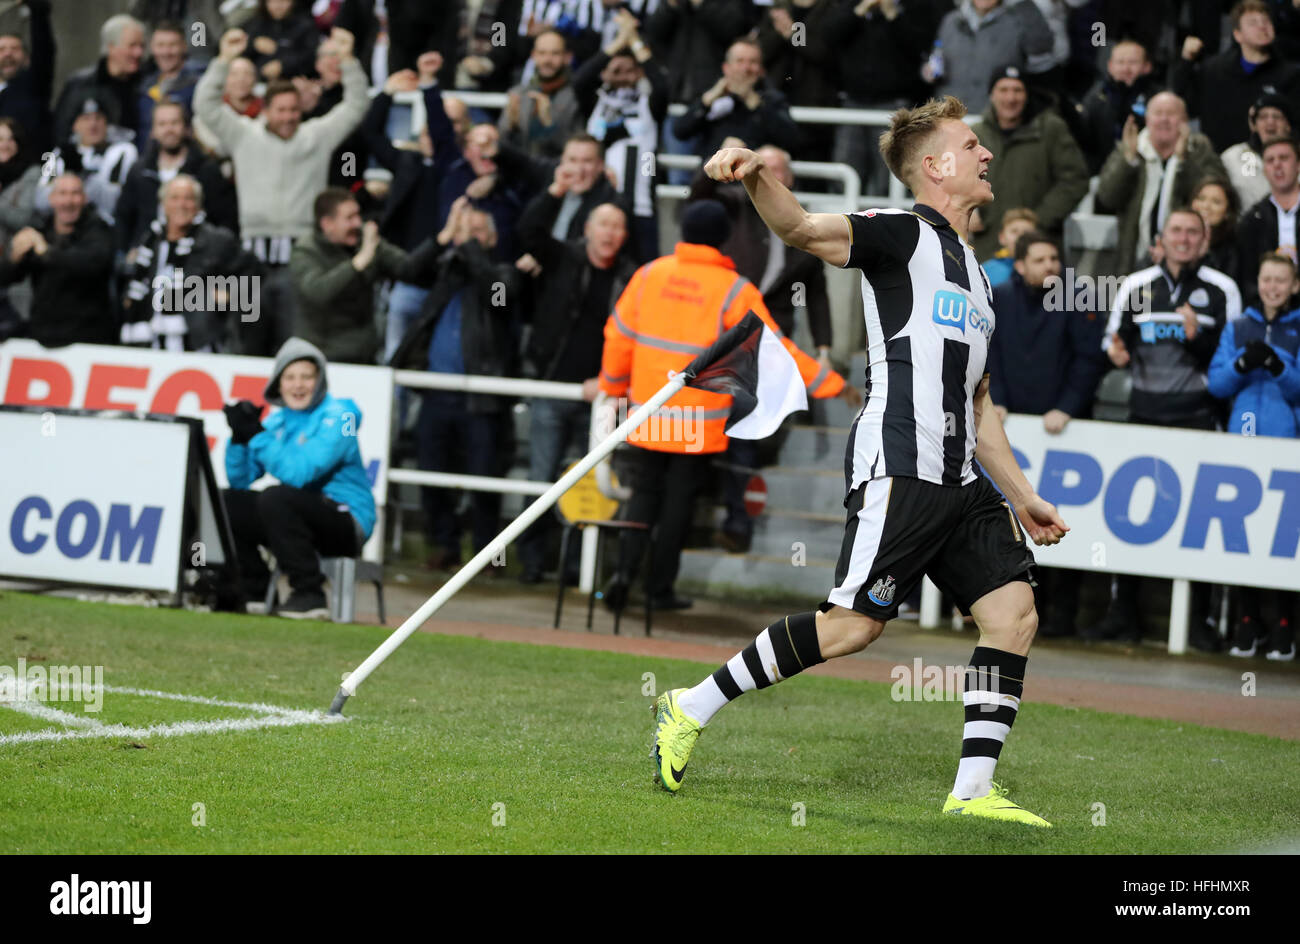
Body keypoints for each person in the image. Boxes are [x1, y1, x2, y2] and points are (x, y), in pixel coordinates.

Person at [651, 97, 1070, 828]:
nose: (987, 154)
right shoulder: (901, 233)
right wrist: (753, 171)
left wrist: (1024, 496)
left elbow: (981, 409)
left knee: (1013, 615)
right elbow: (801, 227)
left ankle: (972, 792)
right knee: (851, 628)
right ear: (935, 165)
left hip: (961, 476)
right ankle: (689, 705)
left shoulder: (978, 276)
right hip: (901, 460)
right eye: (972, 144)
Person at [599, 199, 850, 611]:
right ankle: (658, 590)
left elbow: (619, 336)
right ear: (724, 239)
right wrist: (829, 382)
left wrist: (612, 386)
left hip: (647, 416)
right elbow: (774, 349)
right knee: (678, 506)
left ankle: (623, 575)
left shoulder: (649, 275)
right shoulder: (735, 290)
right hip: (697, 425)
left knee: (642, 498)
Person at [1094, 207, 1240, 649]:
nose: (1183, 238)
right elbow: (1111, 343)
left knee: (1198, 524)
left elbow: (1233, 357)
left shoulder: (1222, 289)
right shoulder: (1136, 286)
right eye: (1176, 230)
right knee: (1129, 516)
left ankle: (1198, 622)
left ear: (1204, 239)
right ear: (1162, 238)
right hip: (1143, 414)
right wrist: (1115, 354)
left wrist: (1199, 337)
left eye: (1192, 231)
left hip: (1198, 417)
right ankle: (1124, 614)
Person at [194, 26, 367, 355]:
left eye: (293, 110)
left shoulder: (317, 136)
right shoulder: (244, 135)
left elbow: (356, 105)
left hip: (300, 260)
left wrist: (347, 60)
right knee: (247, 346)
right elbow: (206, 105)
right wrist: (224, 60)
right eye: (281, 110)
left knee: (295, 346)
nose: (288, 117)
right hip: (250, 259)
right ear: (266, 110)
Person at [390, 198, 520, 573]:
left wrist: (470, 249)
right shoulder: (444, 270)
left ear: (493, 240)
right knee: (432, 474)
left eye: (478, 233)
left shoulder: (505, 274)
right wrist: (443, 237)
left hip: (481, 398)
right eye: (465, 232)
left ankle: (484, 552)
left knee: (484, 479)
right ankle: (443, 544)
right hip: (436, 392)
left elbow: (497, 295)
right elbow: (408, 269)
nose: (469, 241)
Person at [987, 230, 1104, 638]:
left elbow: (1089, 360)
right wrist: (994, 400)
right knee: (1010, 526)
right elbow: (987, 353)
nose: (1050, 266)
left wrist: (1068, 407)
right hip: (1012, 433)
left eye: (1054, 259)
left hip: (1065, 433)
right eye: (1040, 260)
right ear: (1019, 265)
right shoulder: (998, 298)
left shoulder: (1078, 297)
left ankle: (1061, 618)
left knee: (1066, 525)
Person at [515, 199, 637, 584]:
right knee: (541, 478)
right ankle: (530, 563)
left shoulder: (632, 276)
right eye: (603, 224)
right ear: (586, 229)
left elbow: (635, 338)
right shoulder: (561, 257)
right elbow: (529, 231)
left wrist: (606, 382)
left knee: (586, 484)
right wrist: (555, 189)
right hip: (553, 387)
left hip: (602, 397)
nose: (609, 233)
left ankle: (575, 570)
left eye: (617, 226)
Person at [223, 337, 377, 619]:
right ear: (278, 384)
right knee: (228, 501)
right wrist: (238, 438)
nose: (298, 385)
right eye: (290, 377)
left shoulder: (342, 418)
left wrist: (257, 435)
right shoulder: (277, 422)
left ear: (320, 381)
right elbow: (240, 480)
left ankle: (309, 594)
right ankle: (252, 589)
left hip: (347, 521)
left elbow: (300, 474)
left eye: (307, 376)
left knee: (276, 497)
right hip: (296, 519)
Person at [1207, 252, 1300, 661]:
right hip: (1242, 442)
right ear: (1258, 282)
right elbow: (1217, 383)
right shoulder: (1238, 325)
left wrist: (1279, 366)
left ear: (1293, 286)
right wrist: (1244, 362)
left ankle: (1283, 624)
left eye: (1281, 280)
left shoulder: (1298, 328)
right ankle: (1247, 620)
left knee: (1280, 538)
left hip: (1284, 445)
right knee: (1241, 535)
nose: (1273, 287)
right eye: (1267, 279)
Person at [289, 187, 439, 365]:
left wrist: (440, 240)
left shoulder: (364, 241)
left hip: (365, 357)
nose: (357, 223)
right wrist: (359, 262)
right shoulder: (306, 251)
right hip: (322, 359)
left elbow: (408, 268)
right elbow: (318, 292)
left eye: (358, 215)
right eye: (349, 218)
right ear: (327, 223)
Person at [573, 9, 669, 263]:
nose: (622, 77)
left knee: (642, 280)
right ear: (604, 74)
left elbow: (661, 85)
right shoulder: (595, 102)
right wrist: (618, 42)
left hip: (641, 209)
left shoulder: (650, 104)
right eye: (615, 70)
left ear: (639, 73)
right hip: (598, 209)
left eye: (629, 70)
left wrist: (634, 40)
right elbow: (581, 80)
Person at [119, 174, 256, 352]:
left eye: (189, 198)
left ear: (198, 206)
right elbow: (135, 286)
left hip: (200, 343)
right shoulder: (151, 241)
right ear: (163, 204)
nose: (181, 205)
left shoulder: (217, 240)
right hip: (151, 342)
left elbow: (253, 274)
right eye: (174, 198)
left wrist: (226, 295)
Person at [1095, 91, 1227, 271]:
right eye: (1158, 113)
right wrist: (1129, 160)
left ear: (1185, 120)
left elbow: (1212, 197)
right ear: (1147, 119)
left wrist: (1183, 161)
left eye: (1171, 114)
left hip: (1187, 260)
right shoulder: (1131, 147)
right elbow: (1107, 198)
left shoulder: (1199, 149)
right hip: (1134, 260)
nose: (1164, 119)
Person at [968, 64, 1089, 261]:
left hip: (1039, 249)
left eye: (1018, 90)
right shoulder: (975, 134)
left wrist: (1036, 221)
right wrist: (968, 209)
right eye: (1003, 90)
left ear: (1027, 95)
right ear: (991, 94)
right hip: (987, 247)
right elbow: (954, 180)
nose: (1010, 98)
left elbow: (1075, 180)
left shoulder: (1051, 130)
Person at [0, 174, 115, 347]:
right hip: (43, 337)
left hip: (88, 339)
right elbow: (7, 278)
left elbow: (91, 264)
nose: (68, 201)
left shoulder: (99, 230)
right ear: (51, 199)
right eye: (62, 193)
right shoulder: (40, 229)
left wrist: (46, 252)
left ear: (85, 198)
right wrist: (14, 258)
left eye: (75, 193)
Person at [1171, 0, 1300, 153]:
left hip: (1269, 164)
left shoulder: (1291, 75)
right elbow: (1184, 102)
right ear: (1237, 34)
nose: (1262, 26)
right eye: (1253, 23)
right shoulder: (1214, 70)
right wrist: (1186, 61)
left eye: (1266, 21)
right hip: (1219, 162)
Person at [115, 99, 237, 249]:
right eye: (162, 124)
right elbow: (124, 217)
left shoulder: (206, 169)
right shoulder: (139, 171)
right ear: (153, 131)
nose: (169, 130)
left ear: (186, 128)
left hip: (196, 256)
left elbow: (225, 219)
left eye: (174, 123)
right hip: (147, 258)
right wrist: (127, 251)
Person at [670, 39, 802, 159]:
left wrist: (755, 103)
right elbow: (680, 131)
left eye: (753, 62)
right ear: (726, 68)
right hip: (714, 178)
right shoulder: (712, 97)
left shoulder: (773, 99)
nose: (746, 68)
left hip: (754, 177)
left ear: (761, 70)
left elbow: (792, 140)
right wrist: (707, 101)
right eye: (740, 61)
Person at [927, 0, 1053, 114]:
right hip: (949, 112)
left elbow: (1042, 52)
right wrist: (927, 71)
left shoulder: (1017, 21)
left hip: (993, 116)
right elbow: (936, 55)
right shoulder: (950, 20)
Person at [39, 96, 137, 224]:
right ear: (74, 125)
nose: (93, 124)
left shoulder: (122, 151)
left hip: (104, 226)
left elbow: (114, 203)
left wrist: (80, 178)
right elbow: (40, 201)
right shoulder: (59, 153)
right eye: (86, 119)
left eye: (98, 118)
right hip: (62, 225)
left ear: (107, 124)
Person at [52, 13, 146, 145]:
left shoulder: (146, 84)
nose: (139, 53)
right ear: (111, 47)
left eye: (142, 46)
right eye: (132, 46)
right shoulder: (80, 85)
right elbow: (61, 131)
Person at [1076, 38, 1157, 176]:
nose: (1126, 68)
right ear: (1110, 66)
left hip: (1145, 170)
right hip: (1101, 171)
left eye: (1133, 62)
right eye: (1120, 62)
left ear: (1147, 66)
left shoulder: (1157, 97)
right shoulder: (1096, 95)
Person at [499, 29, 583, 160]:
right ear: (533, 55)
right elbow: (502, 144)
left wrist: (548, 123)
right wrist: (512, 126)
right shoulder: (519, 93)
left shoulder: (577, 95)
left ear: (567, 57)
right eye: (542, 53)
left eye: (555, 53)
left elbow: (580, 149)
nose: (547, 60)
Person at [1237, 136, 1300, 291]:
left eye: (1284, 158)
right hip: (1268, 307)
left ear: (1298, 165)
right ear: (1265, 170)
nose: (1277, 165)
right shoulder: (1252, 220)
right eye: (1270, 160)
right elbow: (1247, 277)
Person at [135, 19, 206, 154]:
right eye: (160, 45)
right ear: (152, 48)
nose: (166, 52)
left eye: (172, 45)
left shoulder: (199, 83)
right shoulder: (143, 88)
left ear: (184, 47)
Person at [1221, 93, 1292, 212]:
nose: (1270, 122)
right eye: (1263, 117)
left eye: (1277, 117)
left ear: (1288, 125)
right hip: (1246, 227)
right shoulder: (1232, 157)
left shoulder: (1297, 156)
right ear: (1254, 125)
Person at [0, 0, 54, 155]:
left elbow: (44, 50)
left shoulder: (33, 86)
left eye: (14, 48)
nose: (8, 53)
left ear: (26, 58)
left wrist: (37, 9)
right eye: (2, 49)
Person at [243, 0, 320, 81]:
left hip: (293, 81)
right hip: (258, 81)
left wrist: (284, 65)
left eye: (283, 1)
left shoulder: (305, 25)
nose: (278, 6)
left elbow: (311, 55)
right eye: (272, 1)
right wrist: (253, 44)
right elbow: (243, 53)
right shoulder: (257, 23)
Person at [1190, 176, 1241, 281]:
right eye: (1201, 198)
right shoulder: (1172, 237)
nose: (1206, 206)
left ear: (1227, 212)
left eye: (1216, 202)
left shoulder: (1235, 249)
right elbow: (1147, 283)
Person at [981, 206, 1037, 288]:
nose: (1021, 236)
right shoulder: (986, 271)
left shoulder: (1046, 266)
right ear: (1002, 237)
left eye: (1027, 232)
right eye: (1014, 231)